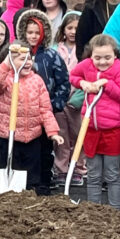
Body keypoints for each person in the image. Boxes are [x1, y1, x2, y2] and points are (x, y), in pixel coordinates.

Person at [0, 43, 63, 193]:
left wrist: (53, 132)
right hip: (8, 137)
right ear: (10, 60)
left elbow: (45, 109)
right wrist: (6, 64)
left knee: (31, 174)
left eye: (29, 58)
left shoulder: (37, 80)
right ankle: (9, 197)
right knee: (10, 168)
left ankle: (30, 195)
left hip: (31, 137)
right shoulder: (6, 80)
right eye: (22, 59)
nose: (27, 62)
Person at [69, 34, 120, 207]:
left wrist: (107, 84)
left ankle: (114, 210)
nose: (102, 62)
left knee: (112, 173)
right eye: (97, 58)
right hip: (90, 129)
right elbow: (73, 76)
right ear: (91, 56)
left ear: (115, 55)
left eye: (107, 57)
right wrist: (82, 83)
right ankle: (93, 210)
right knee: (94, 174)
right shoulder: (87, 66)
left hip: (112, 131)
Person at [13, 9, 70, 194]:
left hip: (46, 114)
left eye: (37, 33)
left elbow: (64, 82)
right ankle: (22, 187)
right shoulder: (15, 55)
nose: (33, 36)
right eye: (30, 32)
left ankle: (44, 185)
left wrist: (55, 106)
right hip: (21, 114)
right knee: (23, 153)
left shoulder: (52, 56)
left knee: (45, 152)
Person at [53, 12, 82, 186]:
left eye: (77, 28)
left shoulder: (85, 49)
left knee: (79, 134)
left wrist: (78, 97)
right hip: (59, 98)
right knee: (61, 135)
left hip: (78, 98)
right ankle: (61, 170)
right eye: (69, 28)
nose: (72, 32)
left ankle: (78, 168)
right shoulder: (56, 48)